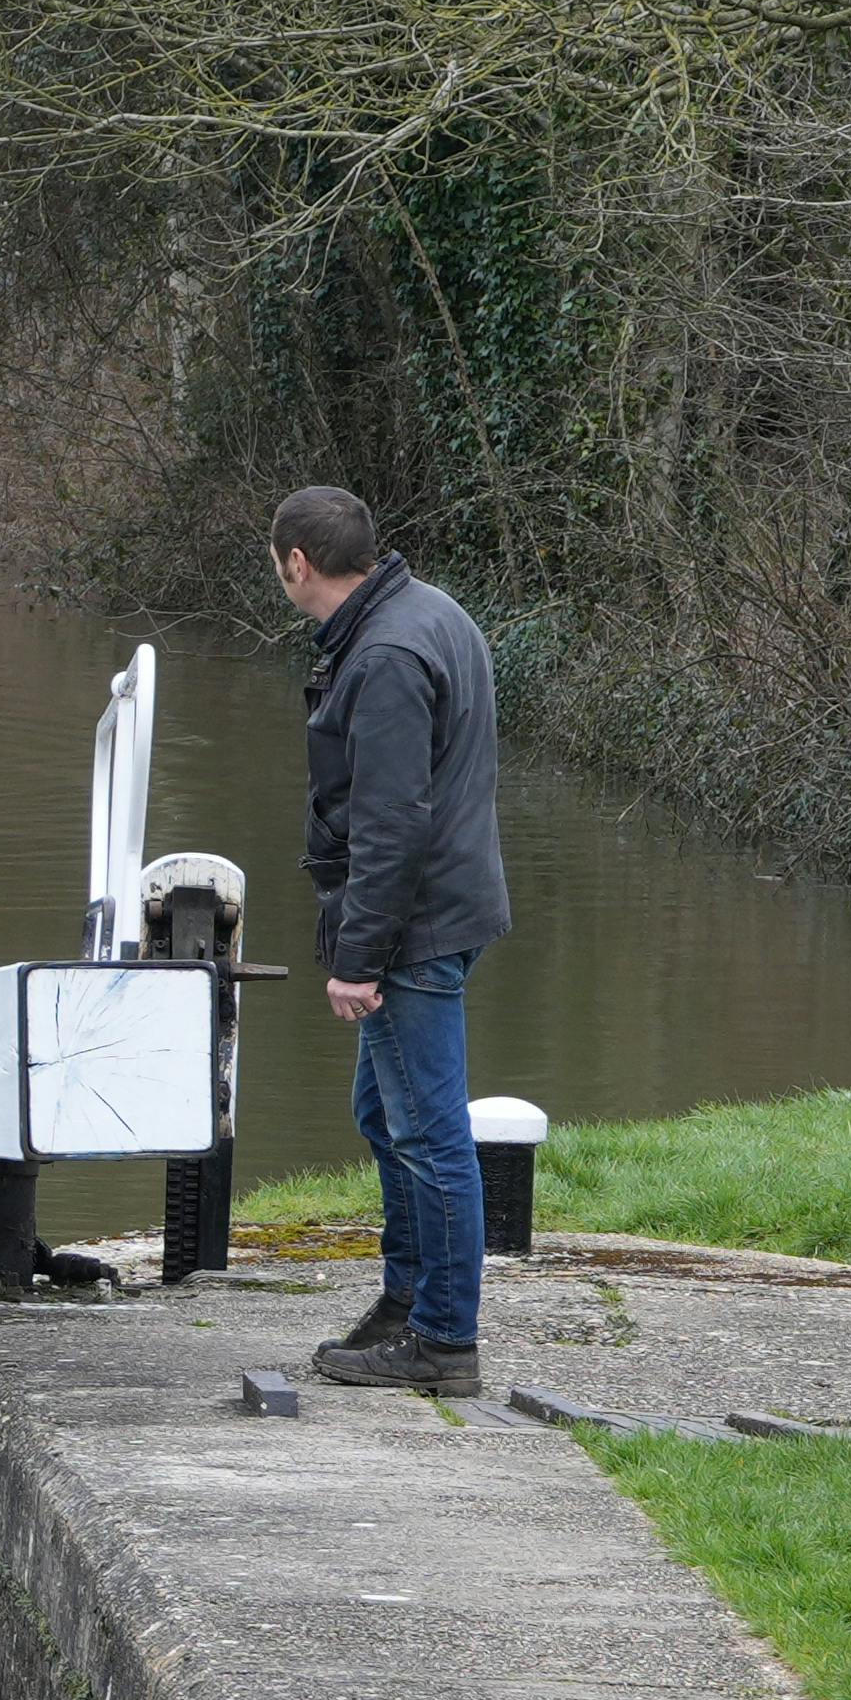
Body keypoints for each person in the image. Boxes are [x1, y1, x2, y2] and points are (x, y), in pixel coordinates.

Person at [275, 482, 512, 1394]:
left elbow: (391, 825)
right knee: (387, 1116)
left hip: (415, 927)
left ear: (298, 563)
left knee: (427, 1132)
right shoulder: (428, 610)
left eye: (278, 563)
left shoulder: (384, 658)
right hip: (448, 904)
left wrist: (357, 960)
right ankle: (406, 1302)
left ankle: (444, 1341)